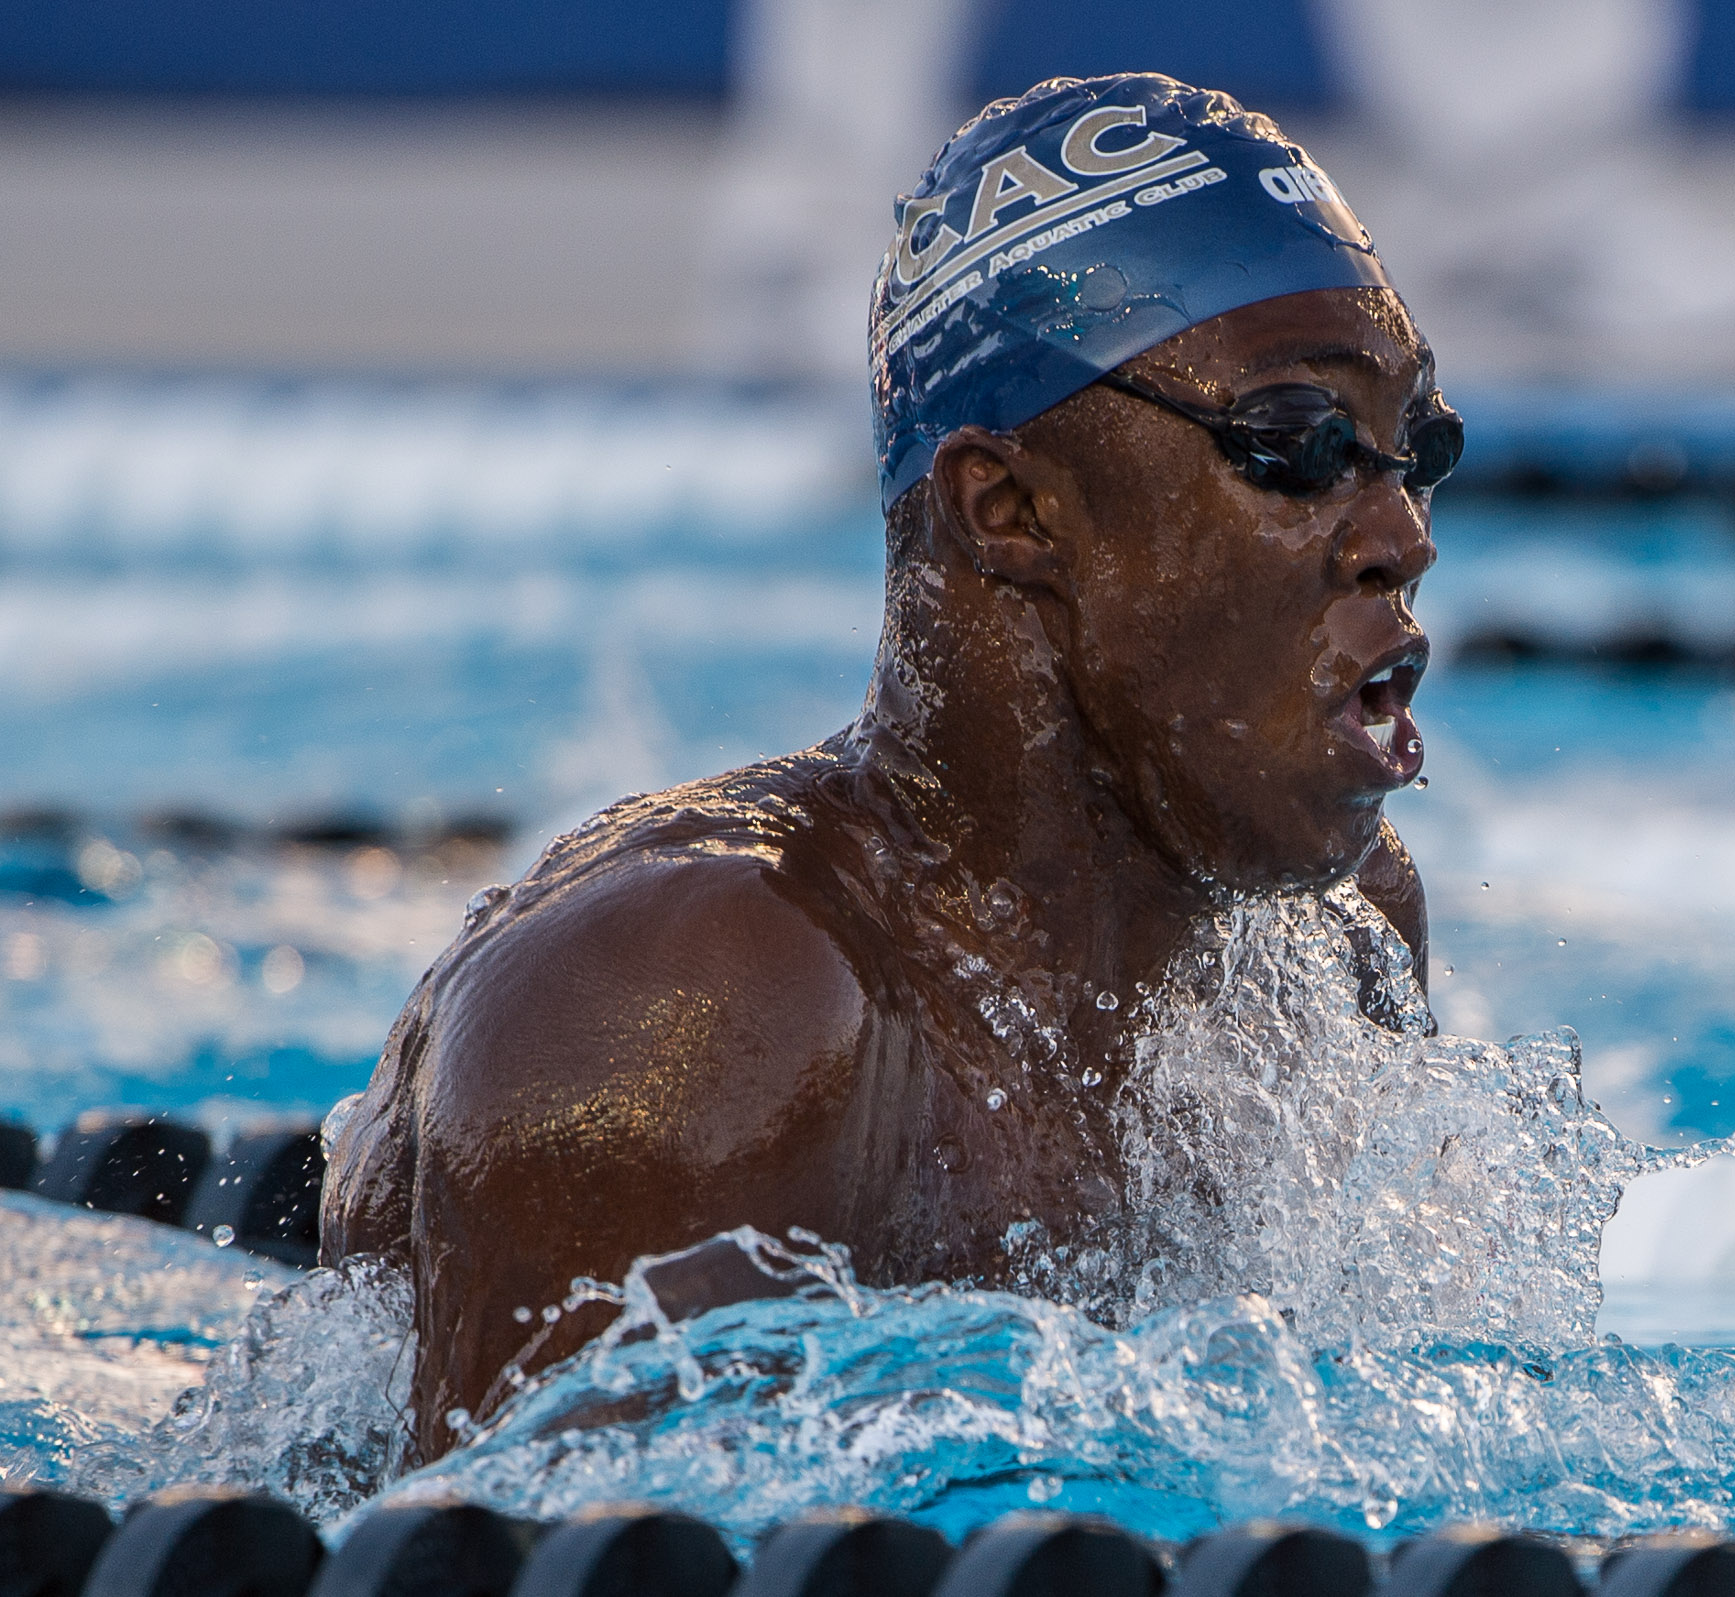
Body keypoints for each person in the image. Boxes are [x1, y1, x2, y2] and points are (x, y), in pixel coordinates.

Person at [320, 72, 1460, 1458]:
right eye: (1298, 446)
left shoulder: (1336, 945)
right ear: (1014, 507)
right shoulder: (695, 1012)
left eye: (1418, 447)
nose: (1400, 532)